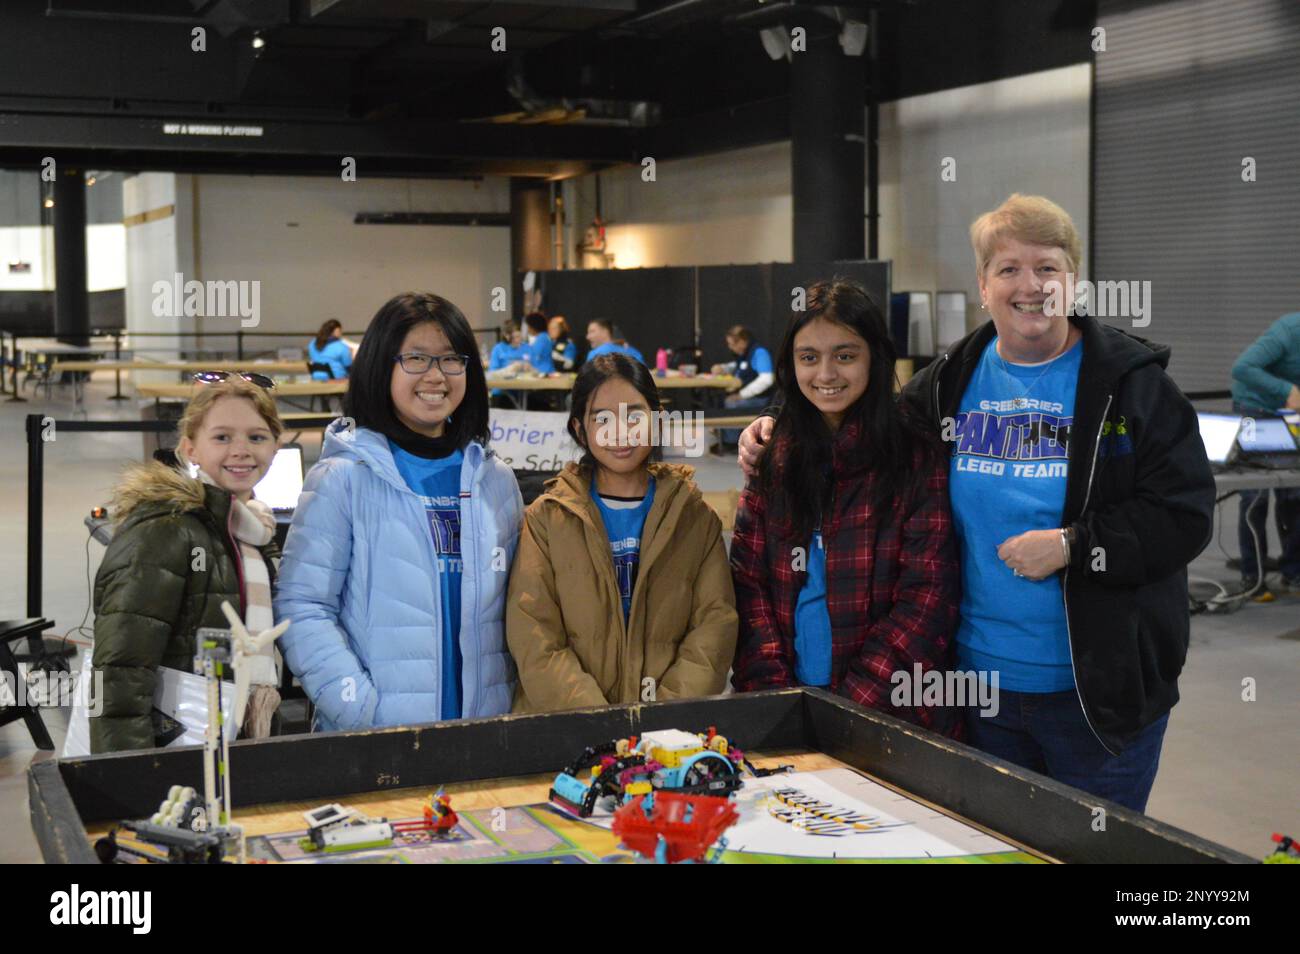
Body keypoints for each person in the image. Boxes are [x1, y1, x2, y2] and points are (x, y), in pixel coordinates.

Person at [738, 195, 1215, 813]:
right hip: (974, 688)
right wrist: (771, 428)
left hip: (1096, 697)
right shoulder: (946, 383)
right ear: (983, 286)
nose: (1030, 285)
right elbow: (851, 412)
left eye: (1047, 267)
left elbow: (1184, 514)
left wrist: (1077, 545)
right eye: (1009, 268)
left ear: (1074, 280)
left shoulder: (1134, 384)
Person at [276, 293, 523, 730]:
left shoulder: (495, 480)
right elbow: (304, 607)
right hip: (377, 741)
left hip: (484, 735)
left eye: (451, 359)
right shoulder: (342, 478)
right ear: (381, 366)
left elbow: (520, 609)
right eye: (416, 359)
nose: (436, 375)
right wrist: (361, 711)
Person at [729, 280, 961, 735]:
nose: (826, 374)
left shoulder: (916, 454)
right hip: (785, 710)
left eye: (846, 355)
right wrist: (776, 696)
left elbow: (927, 597)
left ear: (874, 357)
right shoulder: (773, 454)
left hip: (890, 716)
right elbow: (748, 585)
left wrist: (848, 709)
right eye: (809, 357)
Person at [506, 353, 737, 712]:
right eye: (602, 418)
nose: (620, 431)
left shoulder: (694, 518)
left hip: (667, 738)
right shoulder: (547, 519)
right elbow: (535, 636)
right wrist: (599, 720)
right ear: (579, 429)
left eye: (634, 415)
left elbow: (714, 627)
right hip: (569, 733)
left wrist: (661, 719)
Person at [91, 374, 285, 752]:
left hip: (234, 734)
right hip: (176, 742)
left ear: (276, 447)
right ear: (189, 449)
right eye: (222, 437)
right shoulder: (164, 528)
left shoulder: (254, 529)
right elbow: (121, 669)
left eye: (257, 437)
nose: (242, 450)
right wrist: (127, 770)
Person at [1229, 312, 1300, 597]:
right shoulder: (1288, 330)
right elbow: (1242, 367)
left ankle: (1293, 572)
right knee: (1255, 496)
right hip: (1255, 409)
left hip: (1288, 415)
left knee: (1293, 495)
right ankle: (1253, 576)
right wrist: (1286, 389)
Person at [711, 325, 776, 448]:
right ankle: (725, 437)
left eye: (731, 344)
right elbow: (738, 366)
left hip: (761, 399)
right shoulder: (745, 354)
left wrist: (741, 395)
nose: (730, 348)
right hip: (749, 395)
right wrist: (723, 368)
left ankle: (731, 442)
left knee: (731, 403)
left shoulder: (760, 353)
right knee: (722, 399)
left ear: (741, 341)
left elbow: (766, 380)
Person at [488, 318, 527, 406]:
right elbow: (492, 374)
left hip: (523, 390)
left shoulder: (525, 347)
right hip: (502, 392)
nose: (518, 340)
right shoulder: (498, 349)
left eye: (519, 336)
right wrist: (511, 368)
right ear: (507, 336)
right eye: (515, 337)